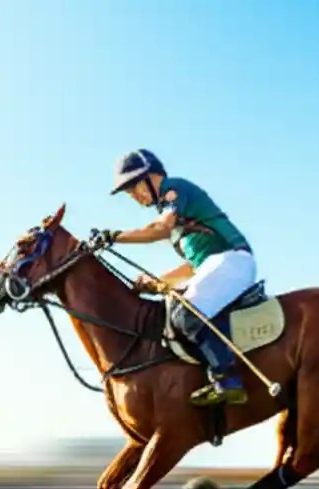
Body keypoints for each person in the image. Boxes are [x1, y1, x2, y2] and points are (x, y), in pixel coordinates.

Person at [99, 148, 255, 406]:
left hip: (233, 261)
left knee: (185, 314)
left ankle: (227, 380)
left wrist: (114, 237)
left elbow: (159, 229)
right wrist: (155, 282)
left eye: (133, 187)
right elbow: (194, 267)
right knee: (175, 314)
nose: (134, 197)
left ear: (151, 176)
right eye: (128, 193)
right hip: (217, 265)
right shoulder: (176, 223)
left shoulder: (173, 189)